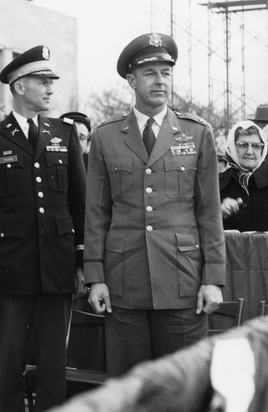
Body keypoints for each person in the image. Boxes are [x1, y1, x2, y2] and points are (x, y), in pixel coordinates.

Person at [85, 32, 225, 377]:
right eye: (150, 73)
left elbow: (209, 213)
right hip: (123, 284)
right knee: (130, 388)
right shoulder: (105, 136)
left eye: (166, 72)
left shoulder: (196, 133)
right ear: (131, 81)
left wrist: (213, 279)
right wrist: (95, 277)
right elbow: (96, 214)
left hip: (182, 282)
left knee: (182, 388)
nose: (160, 80)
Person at [0, 45, 86, 412]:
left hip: (57, 267)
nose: (51, 88)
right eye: (42, 81)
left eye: (51, 81)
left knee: (54, 365)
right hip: (12, 269)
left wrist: (81, 262)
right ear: (19, 87)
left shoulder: (65, 134)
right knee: (12, 366)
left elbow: (79, 206)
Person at [219, 120, 268, 231]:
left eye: (256, 146)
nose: (250, 151)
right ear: (232, 147)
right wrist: (218, 213)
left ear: (263, 149)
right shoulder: (217, 184)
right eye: (243, 145)